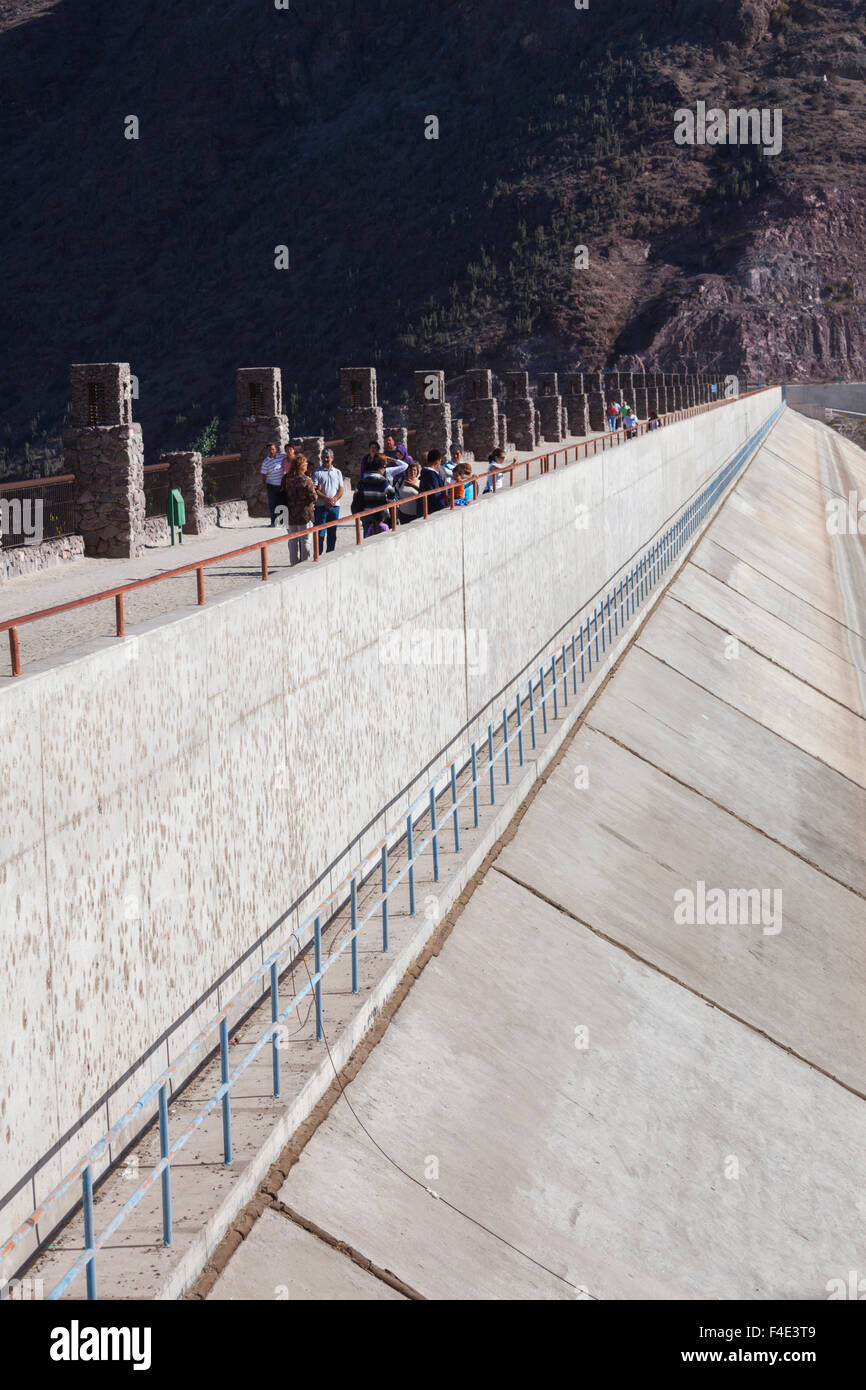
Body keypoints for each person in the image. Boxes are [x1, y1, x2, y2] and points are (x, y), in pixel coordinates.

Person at [283, 454, 317, 565]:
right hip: (304, 515)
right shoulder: (306, 479)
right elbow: (314, 497)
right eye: (305, 464)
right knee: (305, 540)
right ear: (301, 466)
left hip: (289, 513)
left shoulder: (286, 478)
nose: (307, 465)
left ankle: (293, 564)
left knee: (292, 540)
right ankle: (304, 565)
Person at [351, 453, 397, 533]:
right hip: (381, 516)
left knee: (368, 538)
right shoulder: (383, 481)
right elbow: (391, 492)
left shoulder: (362, 481)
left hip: (366, 514)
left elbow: (356, 495)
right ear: (382, 467)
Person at [312, 448, 344, 554]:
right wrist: (327, 499)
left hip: (335, 507)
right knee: (320, 533)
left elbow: (341, 489)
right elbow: (315, 490)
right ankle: (318, 556)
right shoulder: (317, 472)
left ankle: (330, 554)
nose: (326, 459)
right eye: (324, 457)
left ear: (332, 458)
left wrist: (334, 499)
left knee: (332, 533)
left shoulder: (338, 472)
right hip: (321, 506)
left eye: (328, 457)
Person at [260, 444, 287, 526]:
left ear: (276, 450)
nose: (271, 451)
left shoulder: (281, 456)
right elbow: (264, 475)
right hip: (271, 485)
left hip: (282, 485)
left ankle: (283, 521)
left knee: (282, 503)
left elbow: (290, 458)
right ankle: (273, 522)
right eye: (269, 450)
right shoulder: (265, 461)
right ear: (267, 451)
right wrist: (264, 485)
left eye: (273, 449)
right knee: (273, 504)